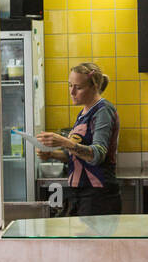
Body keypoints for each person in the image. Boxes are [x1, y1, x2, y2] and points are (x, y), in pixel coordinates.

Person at [36, 62, 122, 216]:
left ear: (94, 87)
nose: (72, 92)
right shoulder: (83, 113)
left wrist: (63, 141)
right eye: (70, 85)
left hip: (98, 195)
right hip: (80, 193)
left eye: (79, 87)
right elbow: (77, 156)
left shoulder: (103, 110)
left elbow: (97, 155)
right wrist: (51, 155)